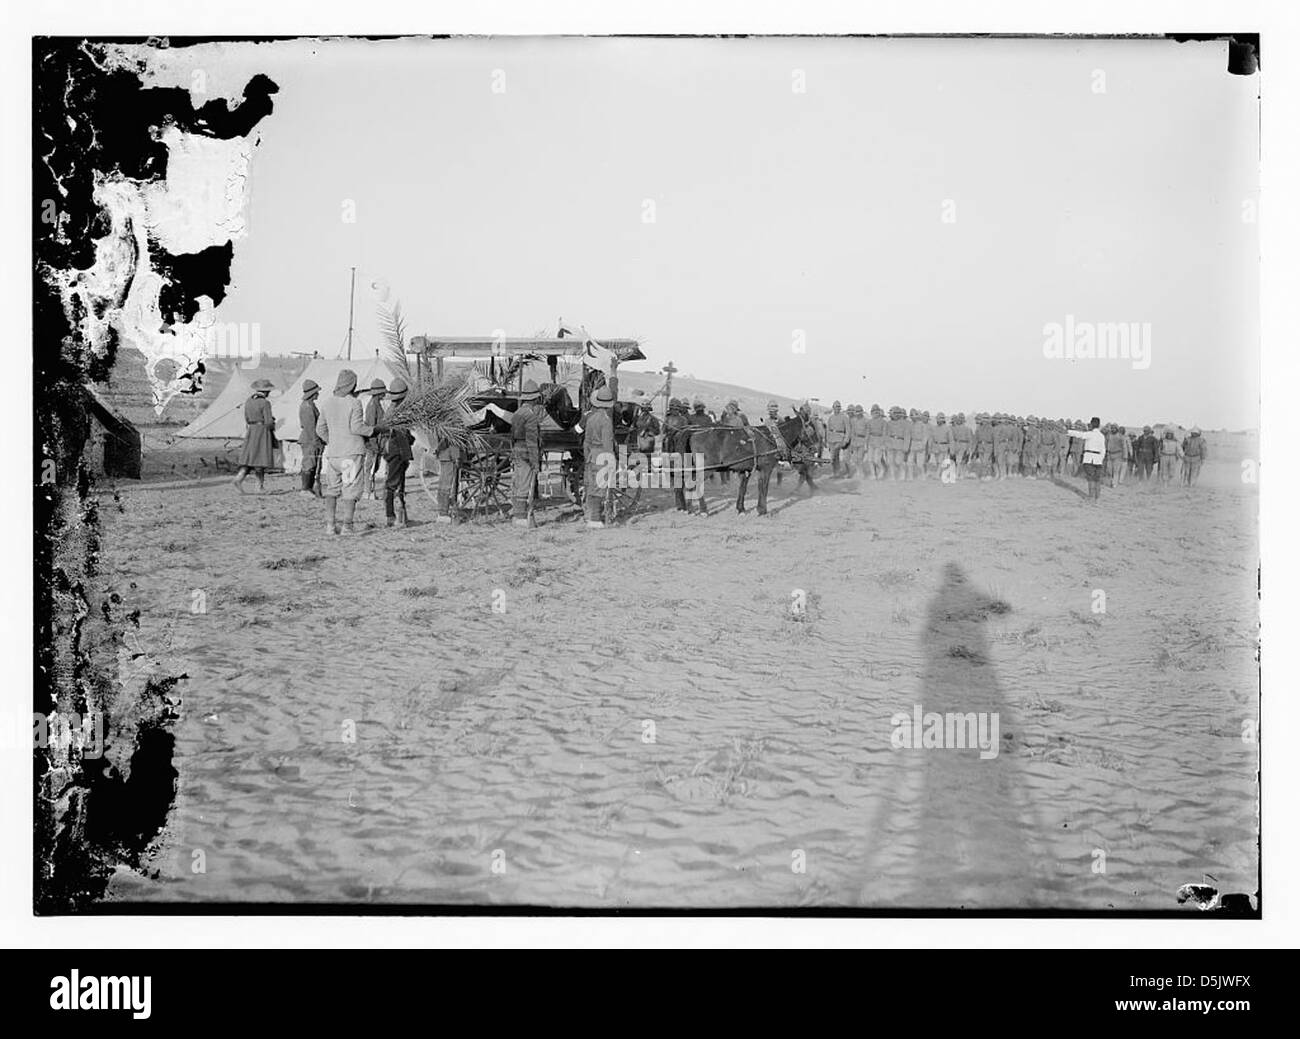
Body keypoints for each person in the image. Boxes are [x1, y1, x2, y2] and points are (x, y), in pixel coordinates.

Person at [315, 369, 373, 534]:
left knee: (332, 490)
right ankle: (347, 525)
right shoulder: (354, 403)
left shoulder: (327, 403)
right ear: (352, 385)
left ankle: (330, 525)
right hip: (350, 455)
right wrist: (374, 430)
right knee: (350, 490)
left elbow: (320, 429)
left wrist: (332, 441)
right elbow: (357, 428)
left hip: (333, 455)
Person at [509, 380, 544, 527]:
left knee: (518, 482)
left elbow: (511, 435)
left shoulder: (517, 413)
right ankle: (522, 518)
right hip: (526, 453)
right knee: (524, 485)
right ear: (535, 399)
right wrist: (536, 463)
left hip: (517, 450)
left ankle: (518, 516)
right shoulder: (530, 416)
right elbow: (531, 441)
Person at [232, 377, 277, 493]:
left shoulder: (248, 401)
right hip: (262, 432)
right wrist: (272, 423)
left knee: (249, 458)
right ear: (266, 391)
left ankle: (239, 478)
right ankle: (259, 486)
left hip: (251, 431)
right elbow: (268, 422)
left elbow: (247, 418)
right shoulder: (265, 403)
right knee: (260, 459)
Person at [380, 377, 413, 527]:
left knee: (397, 482)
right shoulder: (398, 412)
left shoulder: (392, 409)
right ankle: (391, 516)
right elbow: (400, 434)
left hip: (394, 449)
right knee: (393, 483)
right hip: (397, 450)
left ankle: (399, 515)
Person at [584, 384, 618, 528]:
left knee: (592, 487)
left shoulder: (591, 418)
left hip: (592, 455)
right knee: (600, 487)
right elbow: (608, 443)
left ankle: (590, 515)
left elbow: (586, 441)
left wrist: (588, 457)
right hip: (602, 456)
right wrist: (612, 461)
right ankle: (595, 519)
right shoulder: (606, 421)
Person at [1066, 416, 1107, 502]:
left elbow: (1080, 435)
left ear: (1092, 424)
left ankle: (1091, 497)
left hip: (1089, 458)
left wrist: (1067, 431)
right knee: (1097, 479)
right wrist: (1101, 459)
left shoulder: (1090, 434)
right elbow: (1103, 450)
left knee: (1091, 479)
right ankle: (1097, 497)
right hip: (1098, 459)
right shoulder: (1101, 436)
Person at [360, 377, 386, 499]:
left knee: (373, 467)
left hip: (377, 441)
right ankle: (367, 491)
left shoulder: (376, 404)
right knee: (370, 467)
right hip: (372, 442)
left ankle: (371, 490)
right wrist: (374, 444)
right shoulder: (372, 406)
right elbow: (371, 426)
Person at [297, 378, 322, 498]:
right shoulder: (307, 407)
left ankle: (309, 488)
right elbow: (310, 427)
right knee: (309, 463)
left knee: (313, 463)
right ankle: (305, 489)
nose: (318, 394)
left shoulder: (310, 405)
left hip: (311, 438)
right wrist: (316, 441)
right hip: (309, 439)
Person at [886, 406, 911, 481]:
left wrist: (906, 447)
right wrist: (887, 444)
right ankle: (892, 476)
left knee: (899, 462)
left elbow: (907, 436)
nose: (891, 415)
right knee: (890, 462)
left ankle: (902, 475)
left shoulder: (905, 424)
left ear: (897, 414)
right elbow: (887, 434)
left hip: (900, 444)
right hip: (890, 444)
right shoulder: (889, 423)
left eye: (892, 413)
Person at [826, 400, 851, 477]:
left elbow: (848, 429)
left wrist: (846, 440)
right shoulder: (830, 418)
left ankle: (842, 472)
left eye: (838, 406)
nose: (837, 408)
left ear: (840, 408)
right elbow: (828, 429)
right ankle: (835, 473)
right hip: (831, 439)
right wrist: (827, 440)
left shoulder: (844, 417)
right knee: (833, 458)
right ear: (833, 407)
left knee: (835, 454)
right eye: (836, 406)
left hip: (840, 438)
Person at [848, 404, 870, 479]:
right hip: (855, 441)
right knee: (855, 459)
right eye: (856, 412)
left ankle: (861, 473)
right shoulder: (854, 421)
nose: (858, 413)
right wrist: (851, 444)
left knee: (860, 458)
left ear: (862, 412)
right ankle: (858, 471)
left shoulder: (866, 421)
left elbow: (867, 433)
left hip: (862, 441)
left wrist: (866, 444)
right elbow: (852, 432)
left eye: (859, 411)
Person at [929, 412, 953, 478]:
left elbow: (951, 440)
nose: (938, 421)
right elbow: (932, 438)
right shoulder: (934, 428)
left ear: (943, 420)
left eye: (940, 419)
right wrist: (930, 447)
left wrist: (951, 449)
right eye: (937, 419)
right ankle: (941, 473)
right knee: (938, 461)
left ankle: (937, 474)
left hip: (944, 446)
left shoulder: (947, 428)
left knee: (940, 461)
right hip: (936, 446)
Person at [950, 413, 973, 478]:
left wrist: (969, 449)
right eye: (959, 418)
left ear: (963, 420)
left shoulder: (967, 429)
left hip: (964, 445)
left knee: (960, 460)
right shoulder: (954, 428)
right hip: (956, 444)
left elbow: (970, 440)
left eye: (961, 418)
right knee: (957, 460)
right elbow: (952, 438)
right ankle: (959, 474)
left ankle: (959, 474)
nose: (960, 420)